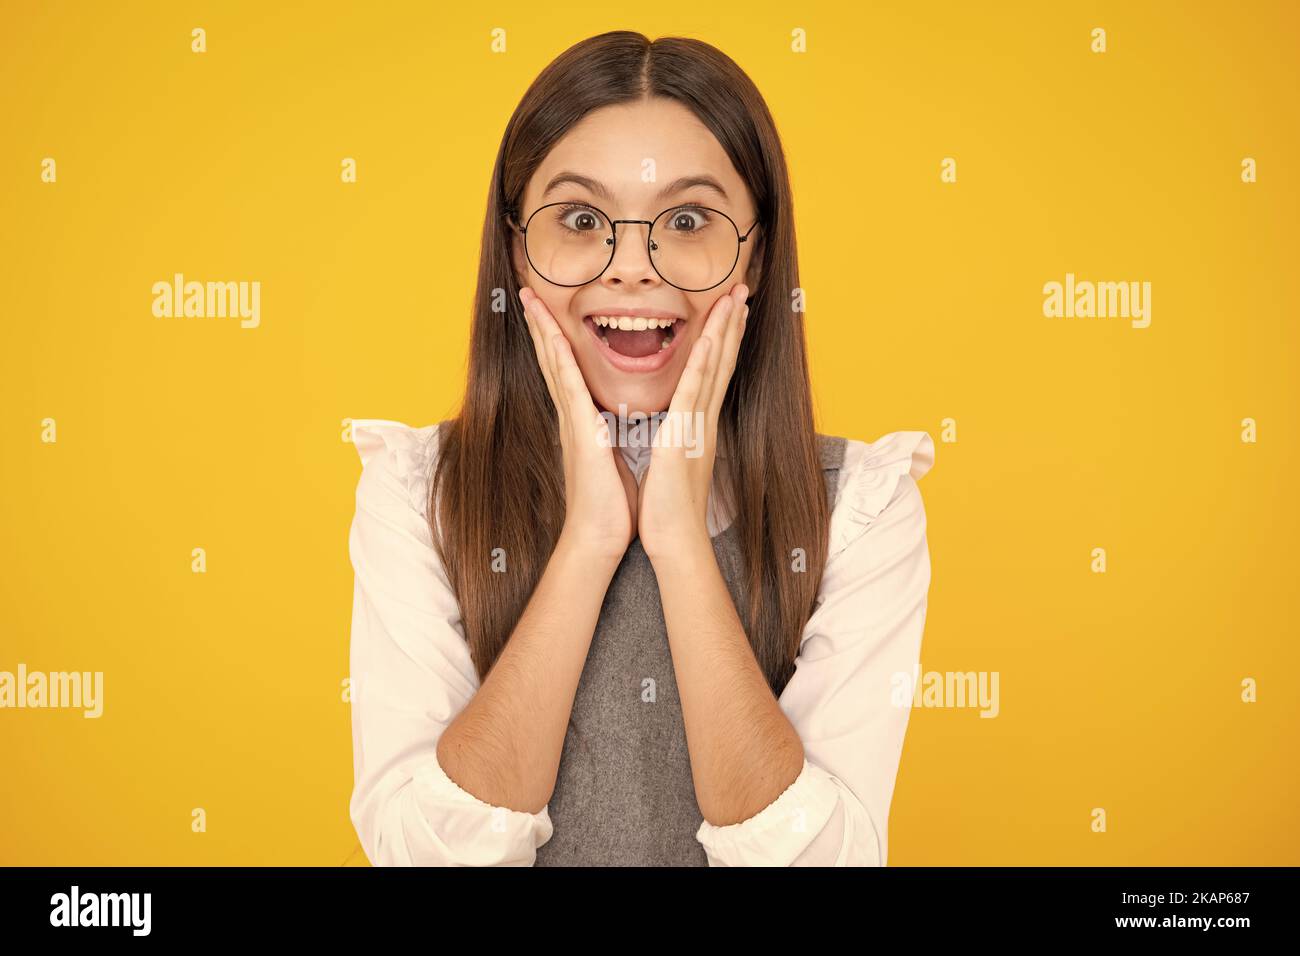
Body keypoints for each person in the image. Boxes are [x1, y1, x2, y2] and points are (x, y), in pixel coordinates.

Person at [346, 30, 934, 866]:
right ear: (517, 251)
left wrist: (681, 542)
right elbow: (422, 857)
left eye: (688, 220)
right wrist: (589, 542)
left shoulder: (864, 508)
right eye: (581, 220)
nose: (630, 268)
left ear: (757, 255)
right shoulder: (417, 491)